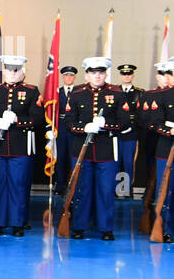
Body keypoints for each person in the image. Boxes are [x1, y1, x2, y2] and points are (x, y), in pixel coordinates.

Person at [63, 57, 131, 241]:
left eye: (101, 72)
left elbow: (125, 122)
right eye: (93, 72)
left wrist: (106, 124)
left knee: (106, 190)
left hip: (107, 150)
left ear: (106, 74)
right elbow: (68, 121)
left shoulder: (116, 93)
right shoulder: (77, 94)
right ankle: (79, 226)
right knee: (82, 190)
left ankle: (105, 228)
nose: (97, 76)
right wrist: (83, 127)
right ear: (87, 75)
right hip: (82, 150)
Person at [0, 55, 45, 236]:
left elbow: (38, 119)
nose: (13, 73)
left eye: (16, 70)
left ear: (22, 72)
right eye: (9, 69)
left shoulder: (32, 92)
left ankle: (17, 224)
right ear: (4, 71)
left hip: (20, 148)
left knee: (17, 185)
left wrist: (17, 119)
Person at [144, 61, 174, 242]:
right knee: (166, 190)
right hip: (166, 149)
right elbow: (153, 122)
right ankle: (165, 228)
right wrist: (170, 130)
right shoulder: (163, 96)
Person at [114, 62, 143, 199]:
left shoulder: (139, 93)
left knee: (128, 162)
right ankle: (116, 189)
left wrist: (133, 126)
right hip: (116, 132)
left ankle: (126, 190)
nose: (126, 76)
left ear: (133, 75)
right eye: (124, 74)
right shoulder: (114, 91)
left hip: (131, 132)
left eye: (129, 74)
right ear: (120, 76)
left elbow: (142, 114)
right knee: (115, 162)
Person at [52, 66, 77, 196]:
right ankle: (60, 185)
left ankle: (73, 185)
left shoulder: (79, 92)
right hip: (60, 126)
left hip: (74, 128)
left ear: (74, 77)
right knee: (60, 157)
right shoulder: (56, 92)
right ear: (63, 77)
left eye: (71, 75)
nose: (68, 78)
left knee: (74, 157)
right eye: (66, 75)